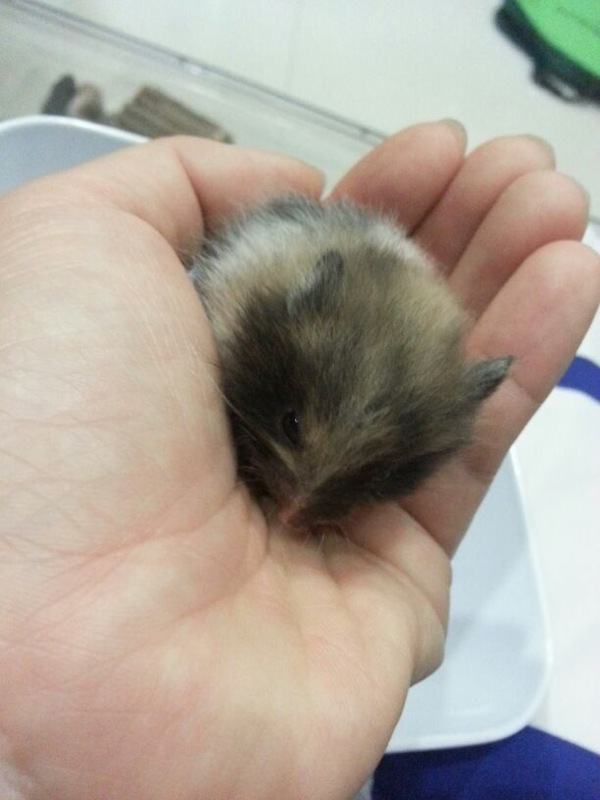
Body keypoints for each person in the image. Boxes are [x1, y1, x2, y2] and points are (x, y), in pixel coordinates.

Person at [0, 121, 597, 800]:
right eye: (290, 425)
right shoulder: (259, 294)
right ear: (293, 301)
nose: (295, 508)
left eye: (370, 477)